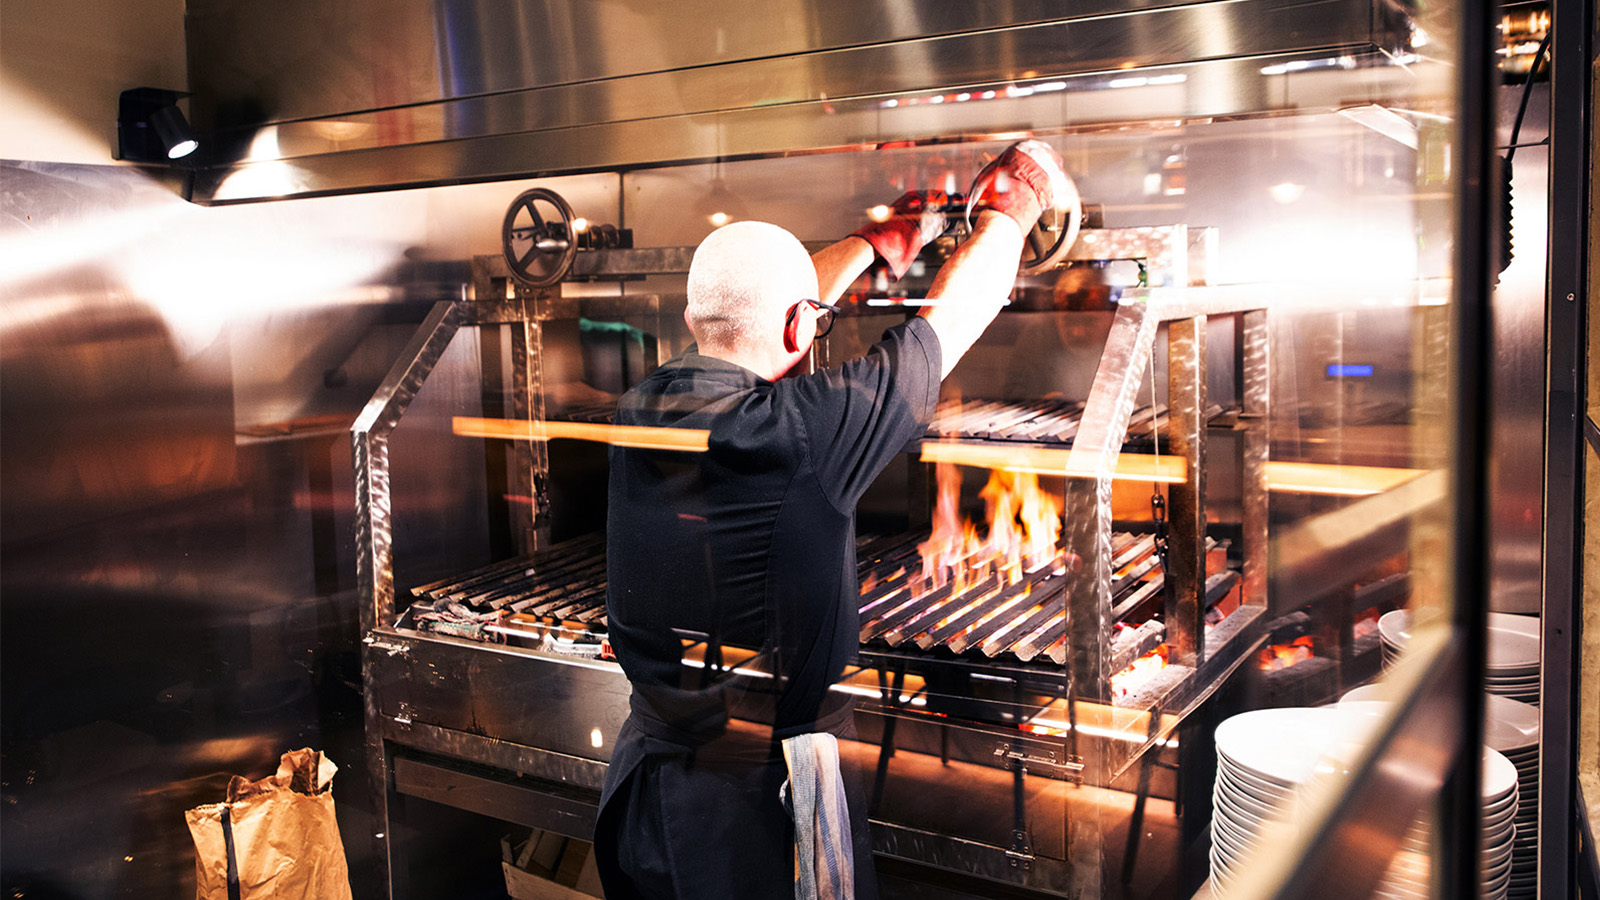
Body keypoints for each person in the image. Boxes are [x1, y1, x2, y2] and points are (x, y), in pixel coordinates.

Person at [595, 141, 1071, 900]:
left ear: (693, 319)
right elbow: (946, 325)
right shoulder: (799, 436)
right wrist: (1013, 210)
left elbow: (763, 313)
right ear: (798, 329)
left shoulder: (648, 401)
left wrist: (880, 242)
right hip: (746, 816)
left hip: (649, 788)